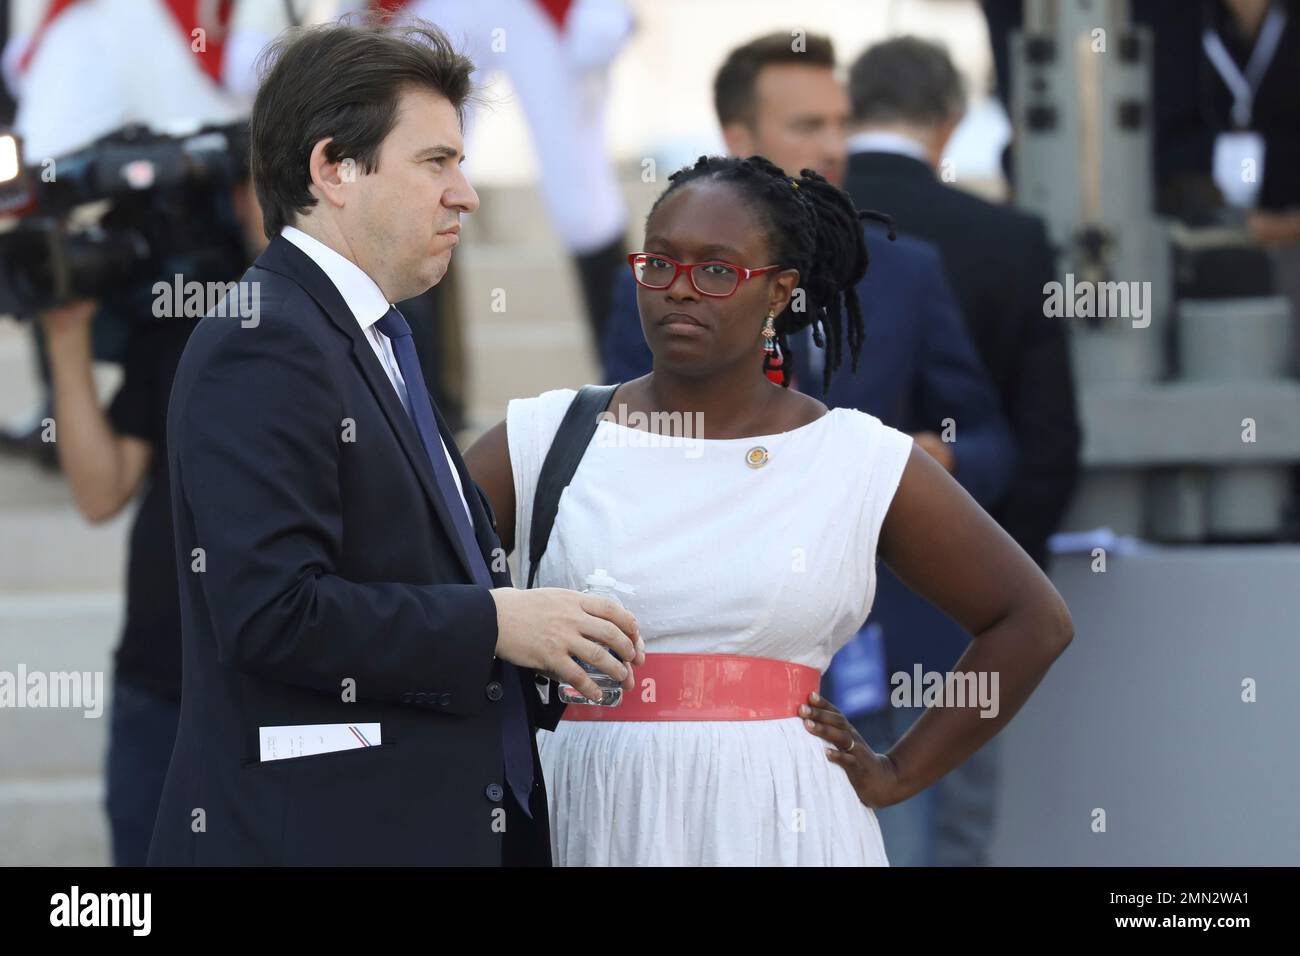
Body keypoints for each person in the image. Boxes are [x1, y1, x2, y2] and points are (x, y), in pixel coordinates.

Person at [466, 154, 1074, 866]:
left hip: (788, 818)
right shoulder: (543, 437)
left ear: (781, 290)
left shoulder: (852, 457)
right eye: (658, 264)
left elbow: (1033, 621)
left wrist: (900, 771)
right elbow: (417, 596)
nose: (679, 291)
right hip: (591, 810)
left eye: (718, 270)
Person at [148, 19, 641, 867]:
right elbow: (273, 614)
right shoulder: (264, 337)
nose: (467, 193)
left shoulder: (367, 333)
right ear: (334, 169)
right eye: (436, 161)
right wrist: (496, 621)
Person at [602, 31, 1014, 508]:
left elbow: (989, 440)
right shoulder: (662, 282)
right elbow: (627, 438)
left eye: (843, 125)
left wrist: (941, 456)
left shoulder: (909, 270)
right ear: (739, 140)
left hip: (872, 568)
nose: (836, 147)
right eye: (809, 126)